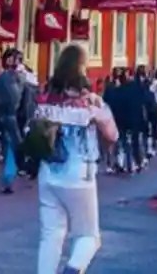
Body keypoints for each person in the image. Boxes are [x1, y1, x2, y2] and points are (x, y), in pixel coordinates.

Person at [34, 45, 118, 274]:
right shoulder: (90, 102)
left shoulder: (45, 98)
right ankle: (72, 270)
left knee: (50, 235)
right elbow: (112, 134)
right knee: (88, 236)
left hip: (48, 172)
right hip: (79, 173)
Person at [0, 48, 25, 193]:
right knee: (11, 146)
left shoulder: (2, 79)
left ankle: (9, 176)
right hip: (13, 117)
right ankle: (10, 175)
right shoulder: (20, 79)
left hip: (4, 116)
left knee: (8, 146)